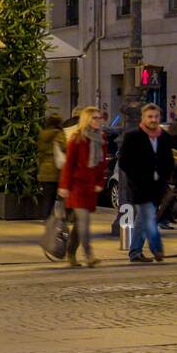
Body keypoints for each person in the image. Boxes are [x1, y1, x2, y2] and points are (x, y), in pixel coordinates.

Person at [117, 102, 172, 263]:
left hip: (157, 187)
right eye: (150, 116)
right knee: (148, 217)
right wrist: (137, 178)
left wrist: (165, 176)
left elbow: (168, 160)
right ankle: (157, 249)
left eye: (155, 116)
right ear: (143, 118)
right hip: (140, 186)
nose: (153, 120)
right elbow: (124, 162)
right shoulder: (133, 136)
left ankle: (135, 252)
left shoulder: (164, 137)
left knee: (143, 219)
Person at [59, 105, 106, 268]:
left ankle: (70, 253)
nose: (98, 121)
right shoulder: (77, 138)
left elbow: (102, 165)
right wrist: (64, 186)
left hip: (91, 188)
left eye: (100, 118)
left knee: (80, 225)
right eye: (95, 118)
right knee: (84, 222)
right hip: (77, 187)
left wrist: (100, 182)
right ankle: (89, 255)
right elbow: (69, 164)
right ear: (87, 119)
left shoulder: (101, 138)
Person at [36, 114, 67, 220]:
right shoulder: (59, 134)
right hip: (56, 169)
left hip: (44, 168)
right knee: (57, 196)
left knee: (47, 196)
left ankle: (44, 216)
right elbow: (64, 147)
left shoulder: (42, 134)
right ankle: (59, 216)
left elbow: (39, 149)